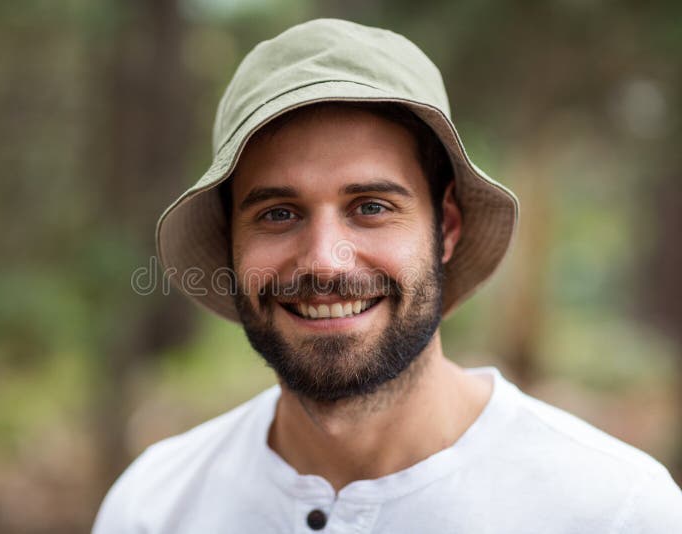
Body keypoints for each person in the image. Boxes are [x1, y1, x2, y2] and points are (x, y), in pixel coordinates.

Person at [93, 18, 682, 533]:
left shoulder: (615, 512)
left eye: (371, 207)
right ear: (230, 245)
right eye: (278, 213)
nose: (325, 261)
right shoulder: (154, 507)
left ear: (445, 227)